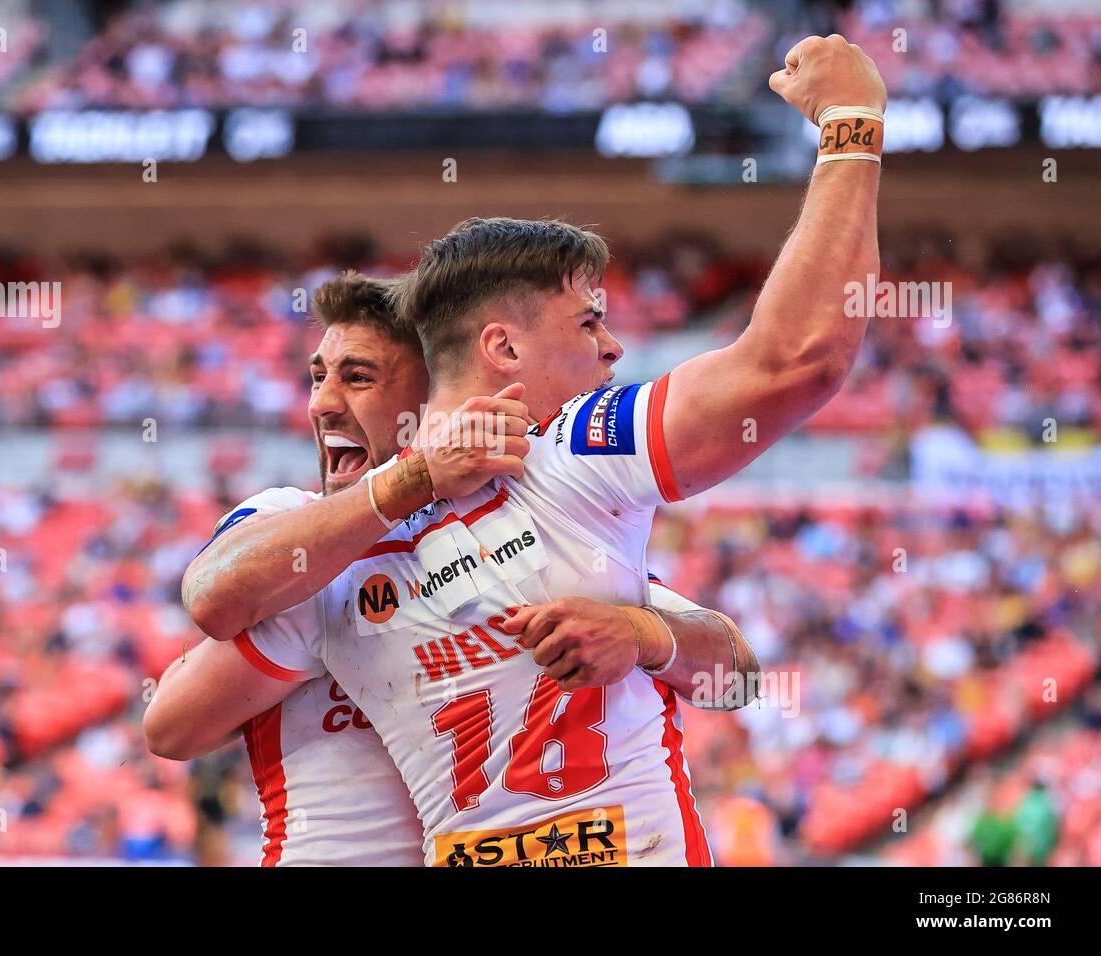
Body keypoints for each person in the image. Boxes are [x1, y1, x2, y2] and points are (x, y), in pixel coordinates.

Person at [179, 35, 883, 866]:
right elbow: (191, 663)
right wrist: (853, 124)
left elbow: (737, 679)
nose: (614, 348)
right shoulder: (339, 536)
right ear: (503, 350)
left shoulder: (569, 454)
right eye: (589, 322)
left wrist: (647, 635)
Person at [147, 273, 755, 866]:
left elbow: (738, 680)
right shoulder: (305, 543)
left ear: (432, 393)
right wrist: (408, 484)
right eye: (317, 378)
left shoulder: (535, 519)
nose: (322, 403)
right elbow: (178, 704)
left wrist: (646, 635)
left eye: (358, 378)